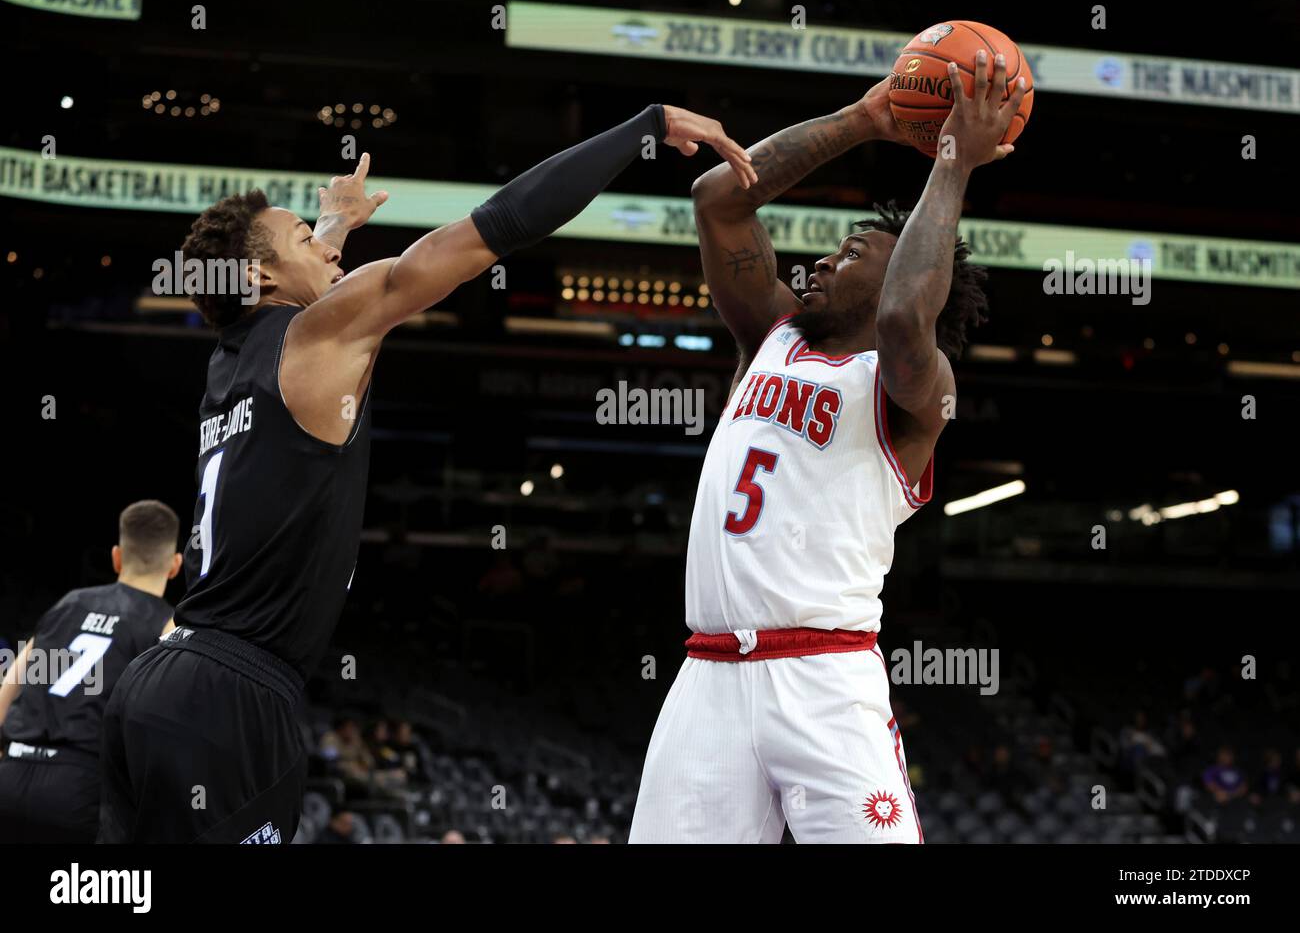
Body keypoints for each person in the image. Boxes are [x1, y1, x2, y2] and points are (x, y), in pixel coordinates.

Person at [97, 104, 754, 844]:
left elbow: (289, 291)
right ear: (258, 272)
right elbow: (499, 223)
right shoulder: (323, 332)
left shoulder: (226, 364)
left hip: (157, 682)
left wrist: (329, 224)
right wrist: (644, 127)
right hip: (232, 697)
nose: (329, 250)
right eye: (307, 241)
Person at [631, 54, 1025, 843]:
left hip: (823, 677)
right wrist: (866, 119)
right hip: (706, 676)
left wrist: (952, 160)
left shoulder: (912, 386)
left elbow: (908, 319)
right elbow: (717, 201)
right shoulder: (769, 336)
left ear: (894, 281)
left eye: (848, 254)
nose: (817, 262)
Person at [0, 501, 179, 841]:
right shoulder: (168, 626)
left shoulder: (68, 603)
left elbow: (8, 687)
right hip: (80, 790)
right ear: (174, 566)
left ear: (116, 556)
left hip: (11, 775)